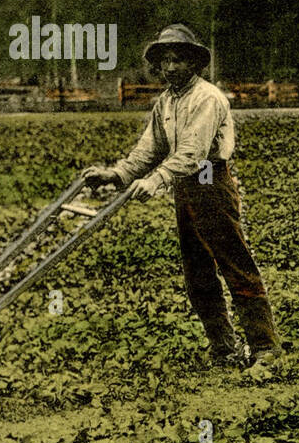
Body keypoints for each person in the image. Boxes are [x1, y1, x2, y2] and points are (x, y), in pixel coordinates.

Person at [81, 24, 282, 368]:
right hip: (185, 187)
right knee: (197, 271)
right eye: (165, 61)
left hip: (210, 181)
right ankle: (223, 347)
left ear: (195, 63)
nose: (171, 67)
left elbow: (193, 153)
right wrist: (118, 174)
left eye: (179, 60)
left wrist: (157, 180)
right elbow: (150, 149)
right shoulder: (166, 102)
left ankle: (265, 348)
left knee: (234, 263)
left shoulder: (207, 97)